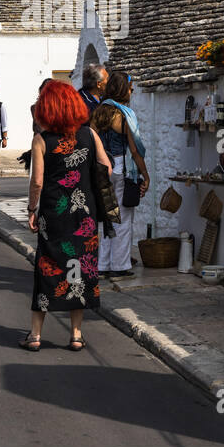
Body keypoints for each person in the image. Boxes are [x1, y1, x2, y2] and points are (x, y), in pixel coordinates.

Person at [21, 79, 109, 352]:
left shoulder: (41, 140)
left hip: (54, 213)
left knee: (47, 267)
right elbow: (105, 165)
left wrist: (32, 209)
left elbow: (37, 181)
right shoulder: (89, 135)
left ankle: (35, 335)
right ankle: (76, 335)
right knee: (79, 268)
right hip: (84, 214)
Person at [90, 71, 149, 281]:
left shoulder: (98, 112)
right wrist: (145, 175)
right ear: (124, 89)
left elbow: (91, 141)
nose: (132, 91)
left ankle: (103, 264)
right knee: (123, 219)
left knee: (106, 218)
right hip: (121, 167)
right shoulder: (124, 115)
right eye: (130, 88)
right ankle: (120, 265)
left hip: (101, 168)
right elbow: (135, 150)